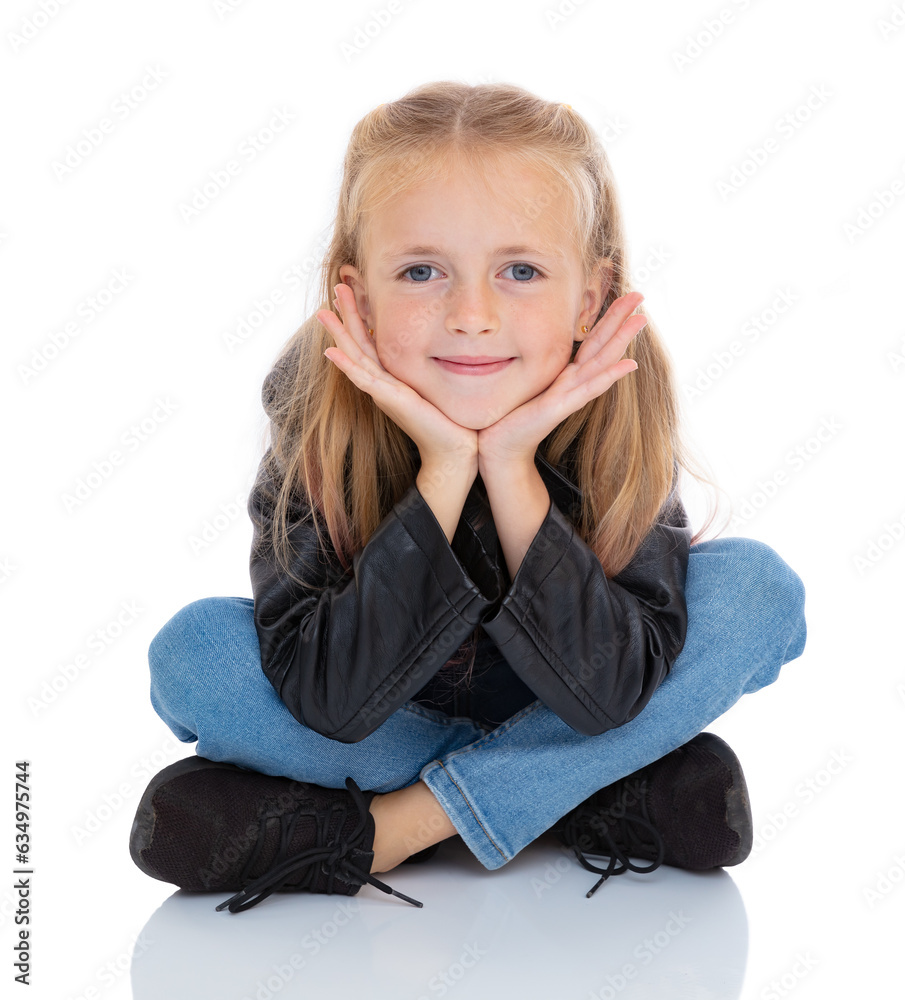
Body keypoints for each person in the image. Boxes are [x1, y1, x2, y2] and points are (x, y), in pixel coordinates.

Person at [128, 81, 807, 913]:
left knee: (756, 592)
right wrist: (445, 468)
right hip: (383, 722)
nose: (472, 315)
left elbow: (607, 693)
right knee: (196, 654)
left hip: (574, 707)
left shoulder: (617, 408)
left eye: (519, 271)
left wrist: (513, 469)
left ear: (587, 301)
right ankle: (582, 794)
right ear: (357, 298)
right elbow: (329, 702)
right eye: (421, 272)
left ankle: (396, 827)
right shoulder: (317, 410)